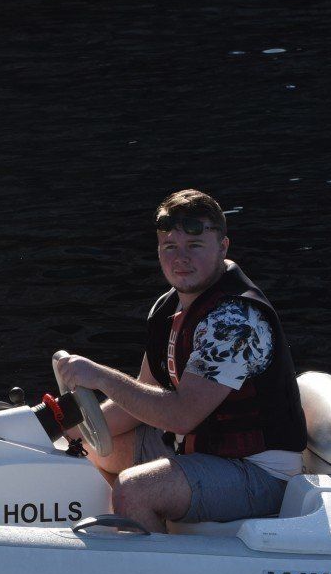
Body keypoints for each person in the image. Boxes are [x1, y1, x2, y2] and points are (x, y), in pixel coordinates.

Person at [52, 189, 307, 533]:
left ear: (223, 247)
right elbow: (140, 398)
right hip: (199, 450)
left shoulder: (235, 321)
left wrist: (100, 377)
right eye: (170, 247)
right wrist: (63, 430)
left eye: (195, 247)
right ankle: (137, 535)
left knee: (134, 490)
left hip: (259, 472)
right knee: (99, 451)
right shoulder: (168, 307)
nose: (180, 259)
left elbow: (182, 416)